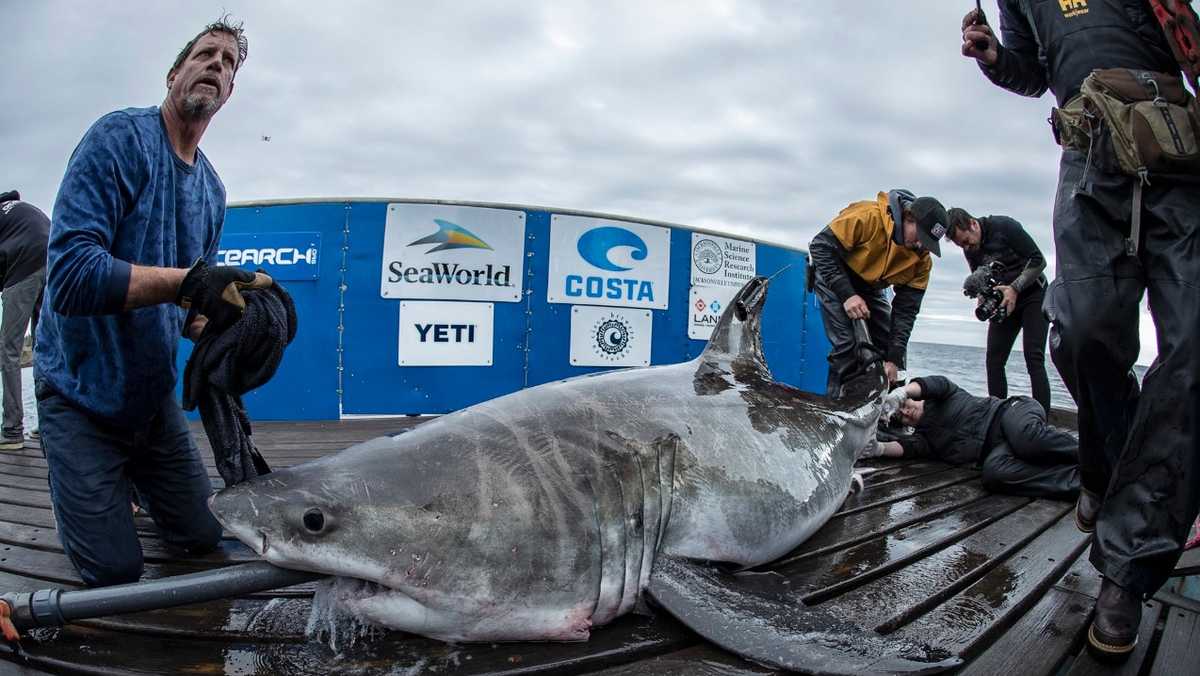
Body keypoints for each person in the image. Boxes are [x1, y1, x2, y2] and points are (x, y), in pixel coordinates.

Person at [961, 1, 1200, 659]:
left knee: (1193, 346)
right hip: (1091, 160)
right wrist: (992, 60)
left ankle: (1126, 565)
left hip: (1181, 156)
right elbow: (1030, 72)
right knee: (1086, 332)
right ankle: (1101, 470)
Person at [35, 17, 270, 588]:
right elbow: (68, 276)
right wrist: (190, 282)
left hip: (151, 402)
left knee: (200, 536)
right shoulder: (118, 139)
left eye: (228, 63)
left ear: (230, 93)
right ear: (174, 73)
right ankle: (80, 474)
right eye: (205, 54)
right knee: (114, 570)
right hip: (78, 395)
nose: (217, 64)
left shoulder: (213, 192)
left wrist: (230, 326)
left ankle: (133, 479)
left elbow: (188, 311)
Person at [808, 190, 948, 395]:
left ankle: (890, 411)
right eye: (920, 237)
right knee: (847, 346)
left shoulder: (922, 261)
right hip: (834, 274)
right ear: (909, 217)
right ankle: (836, 409)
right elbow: (820, 247)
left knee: (895, 353)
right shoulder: (867, 216)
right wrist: (847, 295)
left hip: (871, 287)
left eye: (927, 243)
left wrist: (893, 359)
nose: (920, 245)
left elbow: (906, 312)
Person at [866, 376, 1079, 501]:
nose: (905, 412)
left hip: (1009, 413)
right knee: (994, 475)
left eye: (906, 404)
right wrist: (878, 449)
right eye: (900, 417)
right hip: (998, 450)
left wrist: (901, 393)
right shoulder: (926, 441)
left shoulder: (945, 395)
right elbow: (904, 448)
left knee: (1027, 439)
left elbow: (934, 383)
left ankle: (1096, 455)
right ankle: (1083, 482)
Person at [945, 208, 1050, 413]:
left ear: (973, 224)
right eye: (962, 245)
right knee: (994, 359)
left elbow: (1039, 260)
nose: (967, 247)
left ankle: (1042, 420)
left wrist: (1015, 288)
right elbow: (982, 276)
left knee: (1034, 357)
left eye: (967, 241)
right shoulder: (970, 249)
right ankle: (995, 416)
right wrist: (982, 296)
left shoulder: (1005, 227)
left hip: (1033, 294)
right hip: (1004, 300)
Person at [0, 191, 48, 450]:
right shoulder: (18, 208)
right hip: (54, 259)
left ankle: (11, 431)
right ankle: (48, 426)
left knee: (8, 350)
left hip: (23, 265)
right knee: (45, 347)